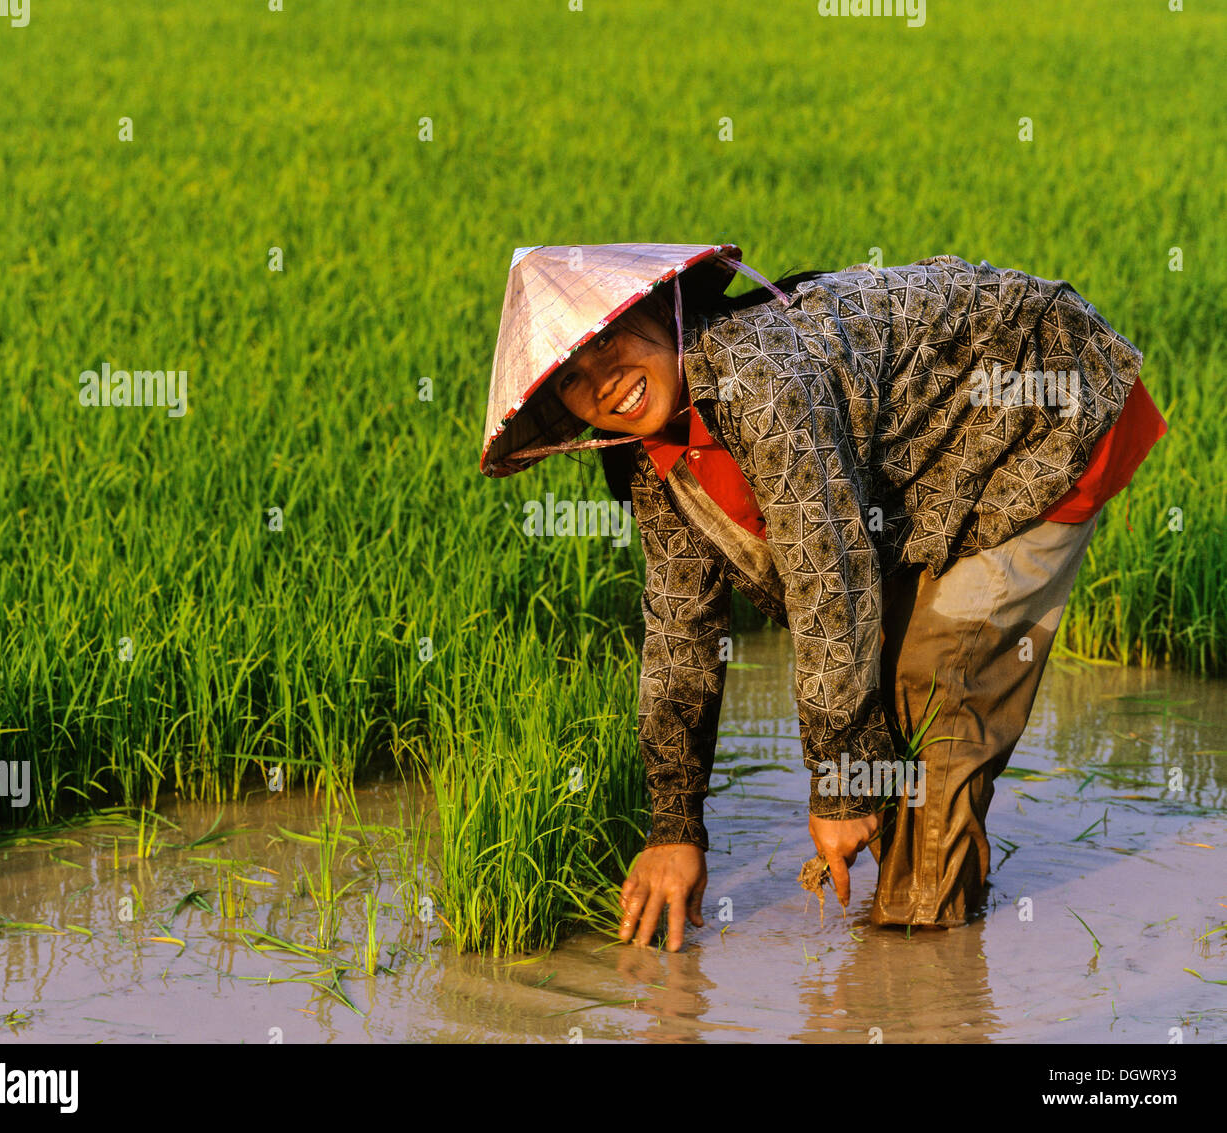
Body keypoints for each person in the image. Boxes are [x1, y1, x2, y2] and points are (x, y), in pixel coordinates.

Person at [479, 244, 1166, 951]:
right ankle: (947, 891)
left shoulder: (761, 375)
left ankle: (920, 970)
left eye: (609, 341)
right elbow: (679, 628)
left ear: (661, 308)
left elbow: (828, 576)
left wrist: (839, 786)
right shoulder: (647, 459)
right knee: (884, 695)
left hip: (1040, 408)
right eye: (571, 378)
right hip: (925, 488)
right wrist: (674, 828)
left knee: (934, 680)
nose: (604, 383)